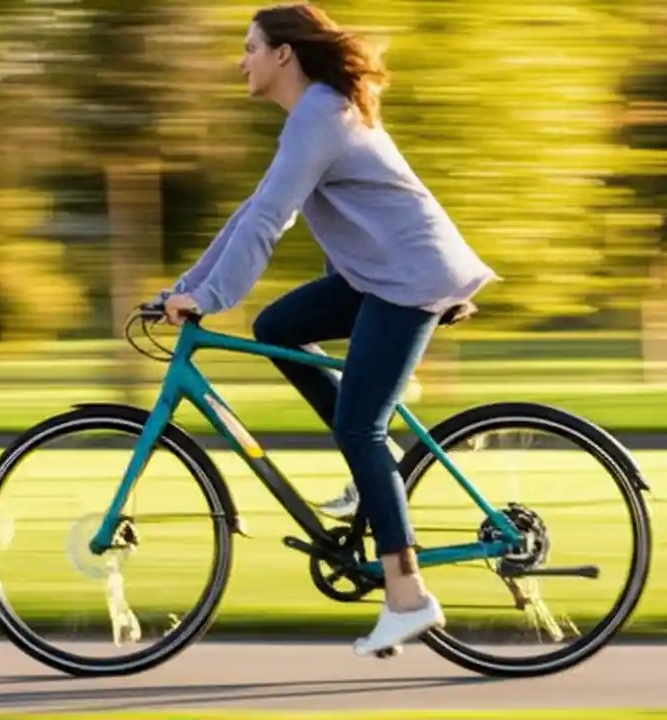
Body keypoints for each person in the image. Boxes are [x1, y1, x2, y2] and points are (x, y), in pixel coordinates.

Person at [160, 2, 498, 656]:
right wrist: (185, 289)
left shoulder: (319, 115)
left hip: (407, 277)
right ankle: (379, 461)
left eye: (250, 47)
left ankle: (407, 597)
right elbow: (253, 212)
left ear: (283, 54)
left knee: (358, 427)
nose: (241, 60)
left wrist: (208, 299)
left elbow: (269, 223)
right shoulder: (313, 116)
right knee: (278, 326)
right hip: (377, 273)